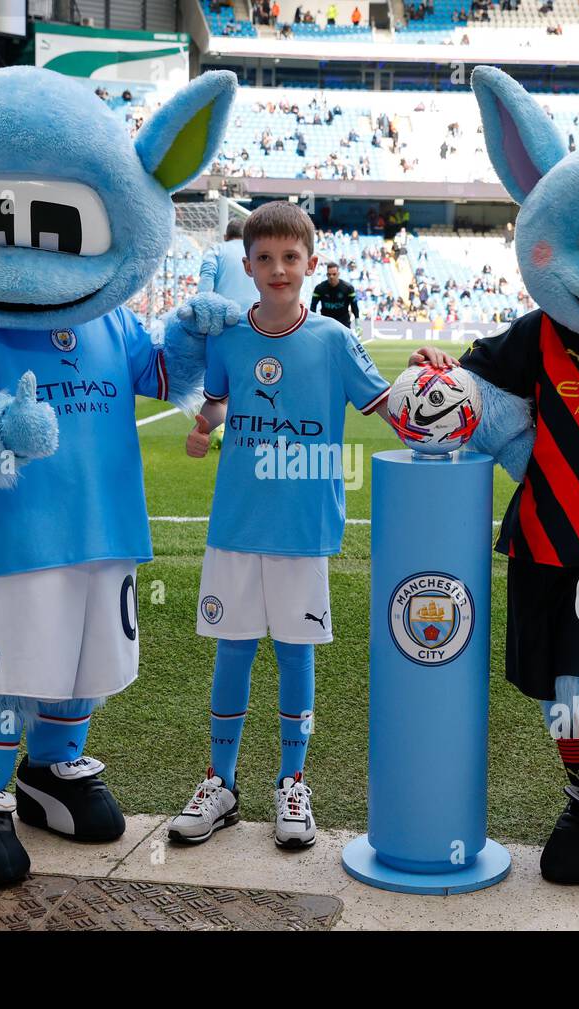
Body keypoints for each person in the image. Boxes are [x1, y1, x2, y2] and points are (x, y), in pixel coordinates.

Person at [167, 202, 391, 849]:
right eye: (264, 258)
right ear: (248, 265)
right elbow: (215, 399)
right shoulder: (230, 337)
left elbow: (382, 403)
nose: (277, 268)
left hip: (301, 528)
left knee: (296, 653)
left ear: (311, 266)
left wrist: (435, 411)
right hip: (236, 525)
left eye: (290, 258)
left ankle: (293, 783)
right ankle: (221, 782)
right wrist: (205, 425)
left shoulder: (333, 339)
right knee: (232, 649)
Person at [310, 261, 360, 329]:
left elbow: (354, 306)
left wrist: (358, 324)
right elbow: (313, 307)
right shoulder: (319, 288)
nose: (331, 277)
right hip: (326, 324)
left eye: (334, 274)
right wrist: (313, 323)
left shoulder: (348, 288)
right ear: (326, 274)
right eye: (329, 274)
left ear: (338, 274)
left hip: (343, 323)